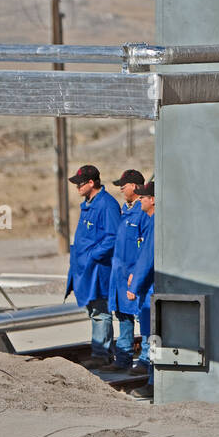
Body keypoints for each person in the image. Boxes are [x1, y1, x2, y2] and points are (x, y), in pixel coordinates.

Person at [63, 164, 121, 368]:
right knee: (93, 310)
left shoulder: (107, 204)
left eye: (80, 183)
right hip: (86, 268)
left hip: (99, 269)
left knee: (100, 311)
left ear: (91, 183)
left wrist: (92, 255)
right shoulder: (89, 203)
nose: (77, 187)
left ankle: (101, 355)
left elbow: (113, 237)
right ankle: (99, 352)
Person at [104, 170, 148, 373]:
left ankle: (146, 360)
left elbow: (146, 248)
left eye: (124, 184)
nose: (121, 188)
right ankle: (123, 358)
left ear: (135, 186)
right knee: (123, 316)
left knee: (144, 318)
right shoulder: (126, 211)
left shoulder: (143, 212)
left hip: (136, 276)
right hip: (120, 275)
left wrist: (137, 275)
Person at [126, 180, 155, 399]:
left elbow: (147, 258)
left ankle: (154, 383)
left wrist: (134, 284)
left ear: (152, 200)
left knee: (154, 337)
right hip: (150, 289)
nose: (141, 201)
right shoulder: (152, 221)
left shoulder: (154, 224)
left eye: (143, 197)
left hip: (151, 290)